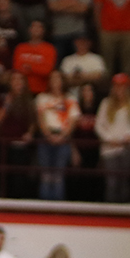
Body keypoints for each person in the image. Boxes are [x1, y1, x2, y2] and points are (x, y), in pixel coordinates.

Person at [94, 73, 130, 203]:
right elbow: (98, 125)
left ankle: (124, 214)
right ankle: (110, 215)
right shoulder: (106, 103)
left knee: (124, 181)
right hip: (109, 148)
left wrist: (129, 135)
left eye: (123, 87)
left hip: (127, 147)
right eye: (117, 87)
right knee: (111, 182)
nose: (120, 90)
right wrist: (108, 138)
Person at [35, 70, 81, 200]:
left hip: (63, 137)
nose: (55, 82)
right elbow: (40, 119)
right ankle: (44, 207)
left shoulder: (70, 98)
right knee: (45, 174)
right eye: (53, 79)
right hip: (45, 137)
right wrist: (48, 135)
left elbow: (73, 121)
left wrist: (62, 136)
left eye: (58, 79)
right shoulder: (42, 98)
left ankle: (57, 209)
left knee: (58, 175)